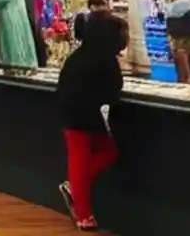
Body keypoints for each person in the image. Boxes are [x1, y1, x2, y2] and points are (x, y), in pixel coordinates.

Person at [56, 13, 126, 232]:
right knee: (86, 157)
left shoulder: (78, 56)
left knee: (99, 154)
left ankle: (75, 189)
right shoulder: (105, 60)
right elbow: (114, 89)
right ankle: (83, 215)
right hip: (81, 116)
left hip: (75, 112)